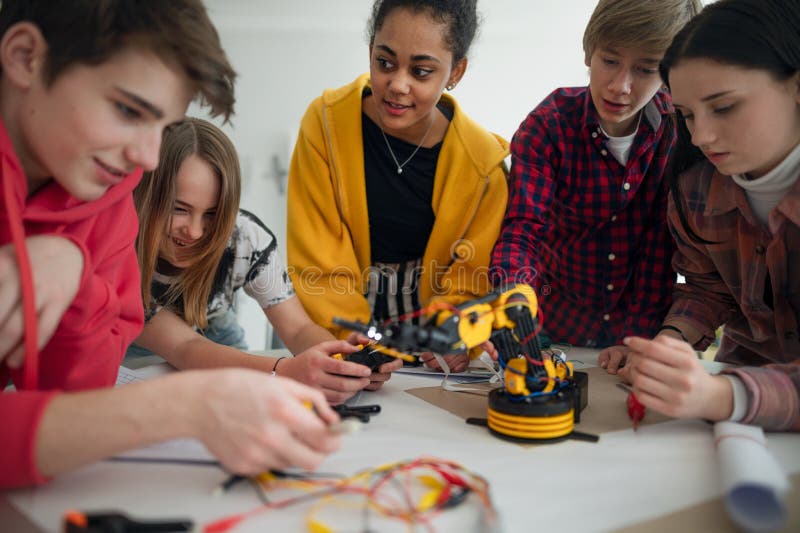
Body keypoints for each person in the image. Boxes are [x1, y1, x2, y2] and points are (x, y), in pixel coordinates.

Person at [0, 1, 340, 490]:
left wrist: (73, 265)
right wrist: (190, 406)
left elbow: (77, 392)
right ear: (26, 57)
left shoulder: (110, 195)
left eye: (161, 128)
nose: (145, 157)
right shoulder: (130, 207)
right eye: (127, 110)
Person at [602, 0, 800, 431]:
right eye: (687, 114)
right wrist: (668, 346)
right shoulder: (695, 187)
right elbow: (708, 289)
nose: (701, 135)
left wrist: (726, 395)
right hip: (730, 418)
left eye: (724, 107)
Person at [287, 0, 507, 372]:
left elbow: (470, 278)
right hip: (337, 339)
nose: (397, 85)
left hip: (428, 356)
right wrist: (357, 351)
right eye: (385, 63)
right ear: (371, 48)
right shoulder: (324, 127)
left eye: (421, 71)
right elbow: (318, 267)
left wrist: (448, 338)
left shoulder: (484, 167)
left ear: (457, 71)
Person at [131, 117, 393, 404]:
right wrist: (283, 372)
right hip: (131, 351)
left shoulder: (245, 239)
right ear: (145, 196)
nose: (194, 231)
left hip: (215, 334)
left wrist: (341, 361)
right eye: (179, 209)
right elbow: (184, 346)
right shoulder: (118, 248)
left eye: (212, 214)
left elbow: (298, 328)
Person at [491, 0, 701, 351]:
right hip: (547, 328)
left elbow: (658, 252)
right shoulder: (549, 126)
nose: (620, 86)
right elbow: (523, 228)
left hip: (631, 336)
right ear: (589, 52)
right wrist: (514, 300)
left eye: (646, 70)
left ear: (670, 73)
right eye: (610, 61)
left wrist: (637, 341)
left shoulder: (680, 133)